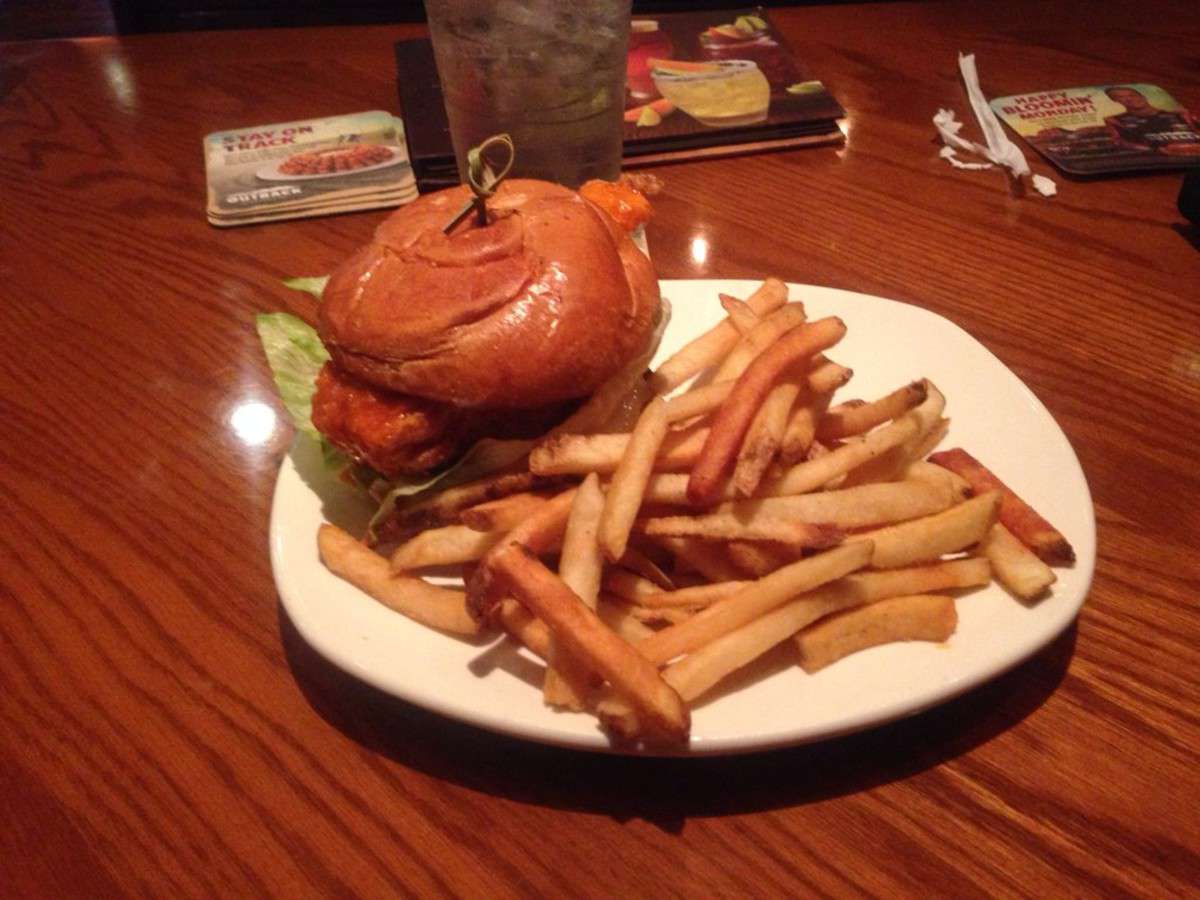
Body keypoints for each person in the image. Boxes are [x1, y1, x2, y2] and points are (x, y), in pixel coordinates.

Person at [1103, 86, 1200, 154]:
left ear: (1143, 96)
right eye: (1120, 97)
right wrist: (1155, 150)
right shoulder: (1116, 120)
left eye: (1132, 95)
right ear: (1115, 101)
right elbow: (1120, 142)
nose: (1129, 99)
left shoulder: (1180, 114)